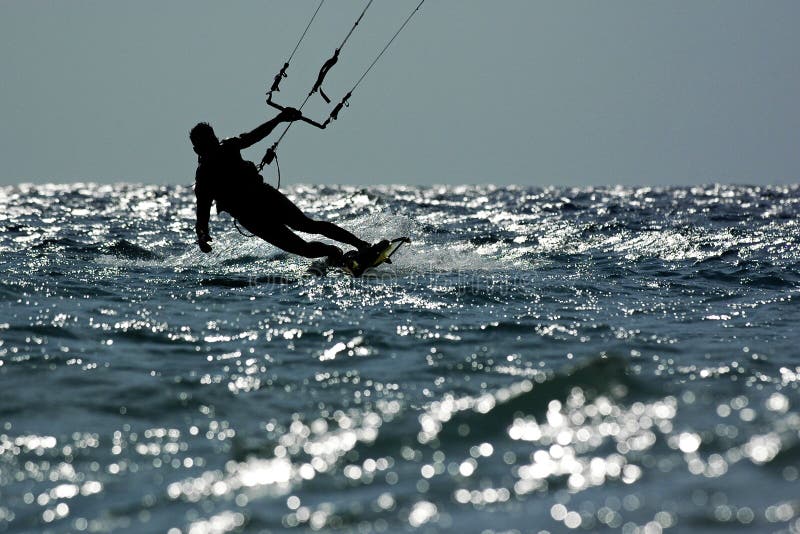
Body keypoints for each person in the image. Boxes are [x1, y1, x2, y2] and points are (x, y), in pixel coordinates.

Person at [190, 109, 371, 262]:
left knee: (307, 225)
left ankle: (362, 246)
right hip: (252, 219)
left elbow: (254, 136)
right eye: (205, 144)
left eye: (212, 140)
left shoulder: (229, 147)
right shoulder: (204, 177)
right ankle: (334, 255)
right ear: (197, 150)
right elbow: (202, 211)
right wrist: (202, 235)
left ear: (216, 138)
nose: (212, 146)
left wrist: (279, 119)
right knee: (303, 249)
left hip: (266, 197)